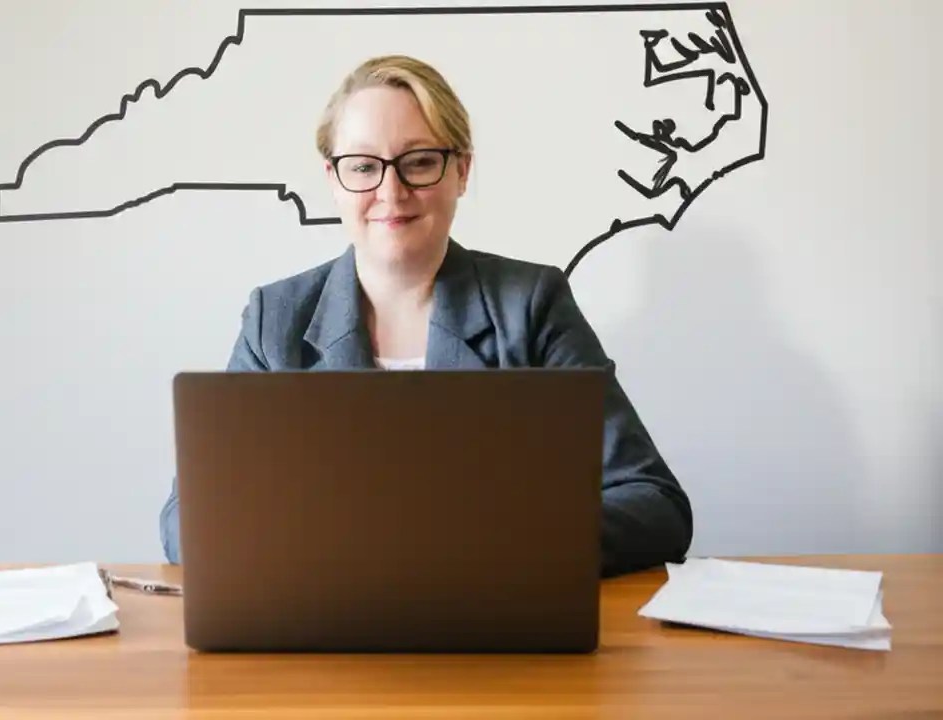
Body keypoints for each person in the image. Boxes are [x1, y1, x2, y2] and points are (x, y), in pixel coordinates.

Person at [159, 54, 693, 577]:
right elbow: (186, 520)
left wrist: (496, 545)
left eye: (418, 162)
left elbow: (655, 504)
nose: (390, 192)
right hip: (324, 634)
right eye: (364, 166)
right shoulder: (273, 320)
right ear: (332, 178)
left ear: (461, 170)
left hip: (494, 630)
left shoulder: (531, 304)